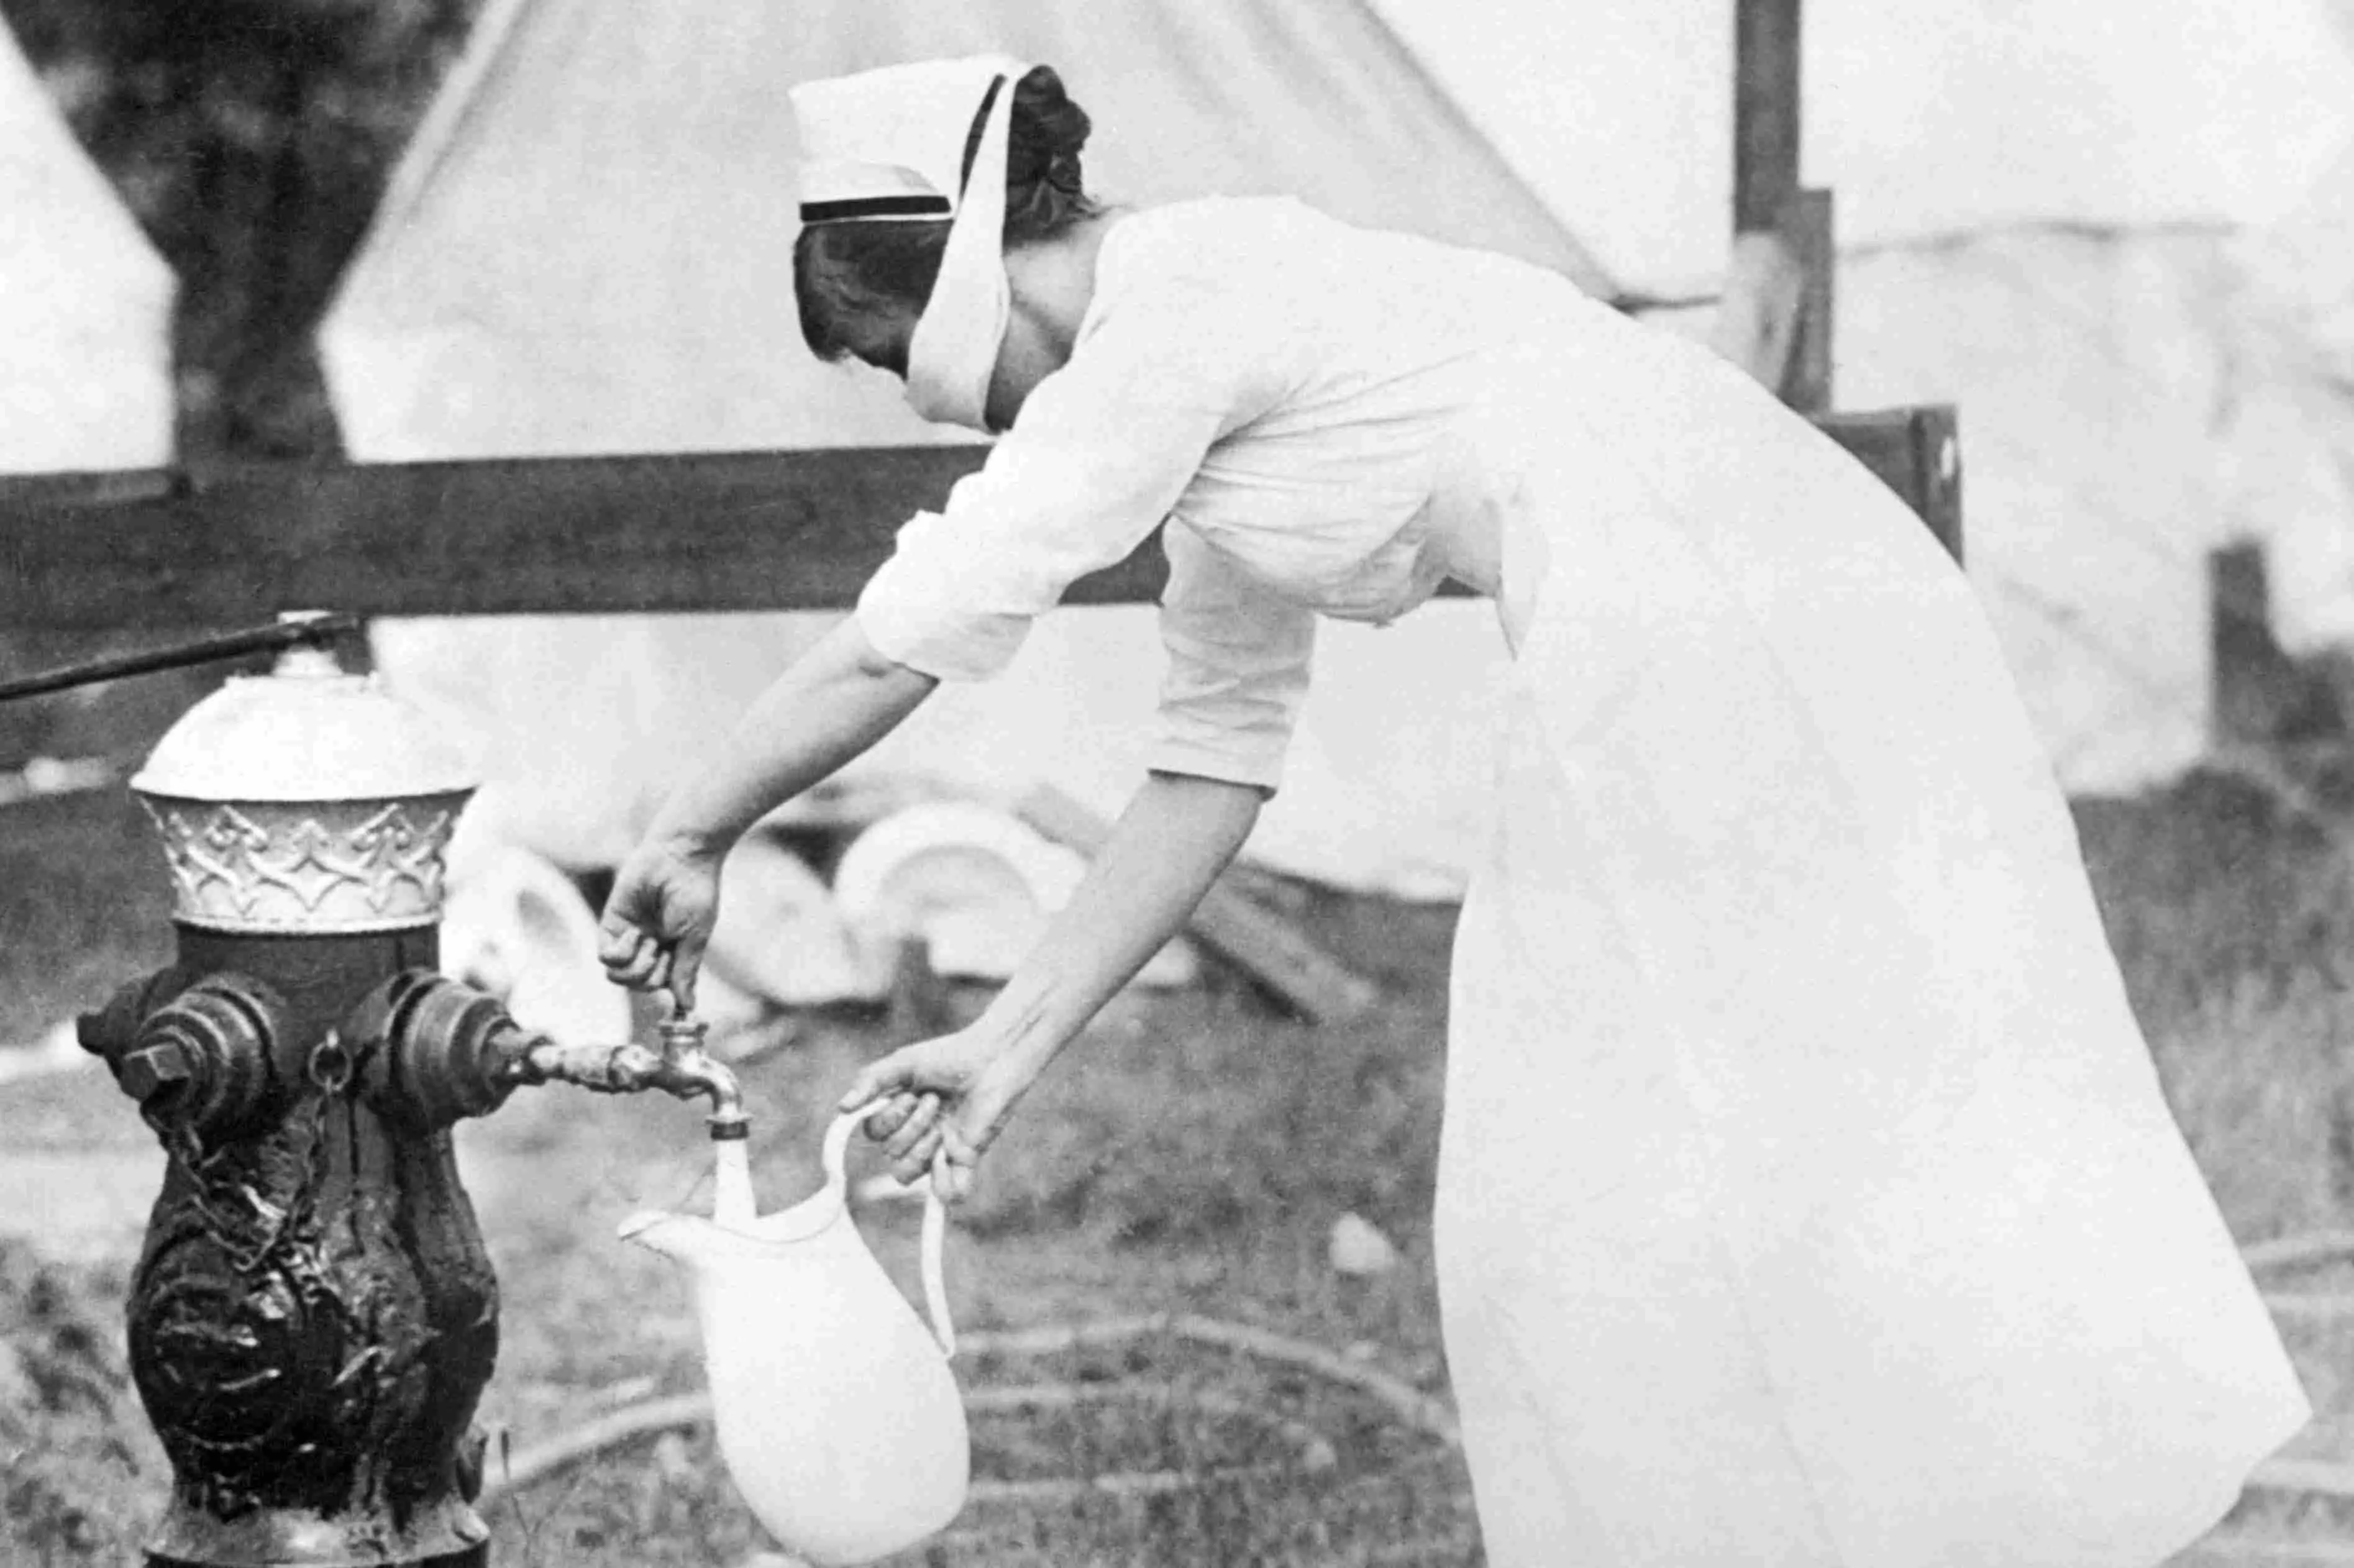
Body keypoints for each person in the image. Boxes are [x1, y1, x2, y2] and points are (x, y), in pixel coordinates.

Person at [597, 54, 2309, 1567]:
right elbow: (1211, 761)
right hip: (1719, 599)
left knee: (1635, 1158)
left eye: (896, 351)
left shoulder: (1176, 306)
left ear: (967, 259)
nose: (916, 401)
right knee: (1663, 1162)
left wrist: (692, 824)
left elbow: (919, 628)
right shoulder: (1186, 407)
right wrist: (1010, 1039)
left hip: (1729, 600)